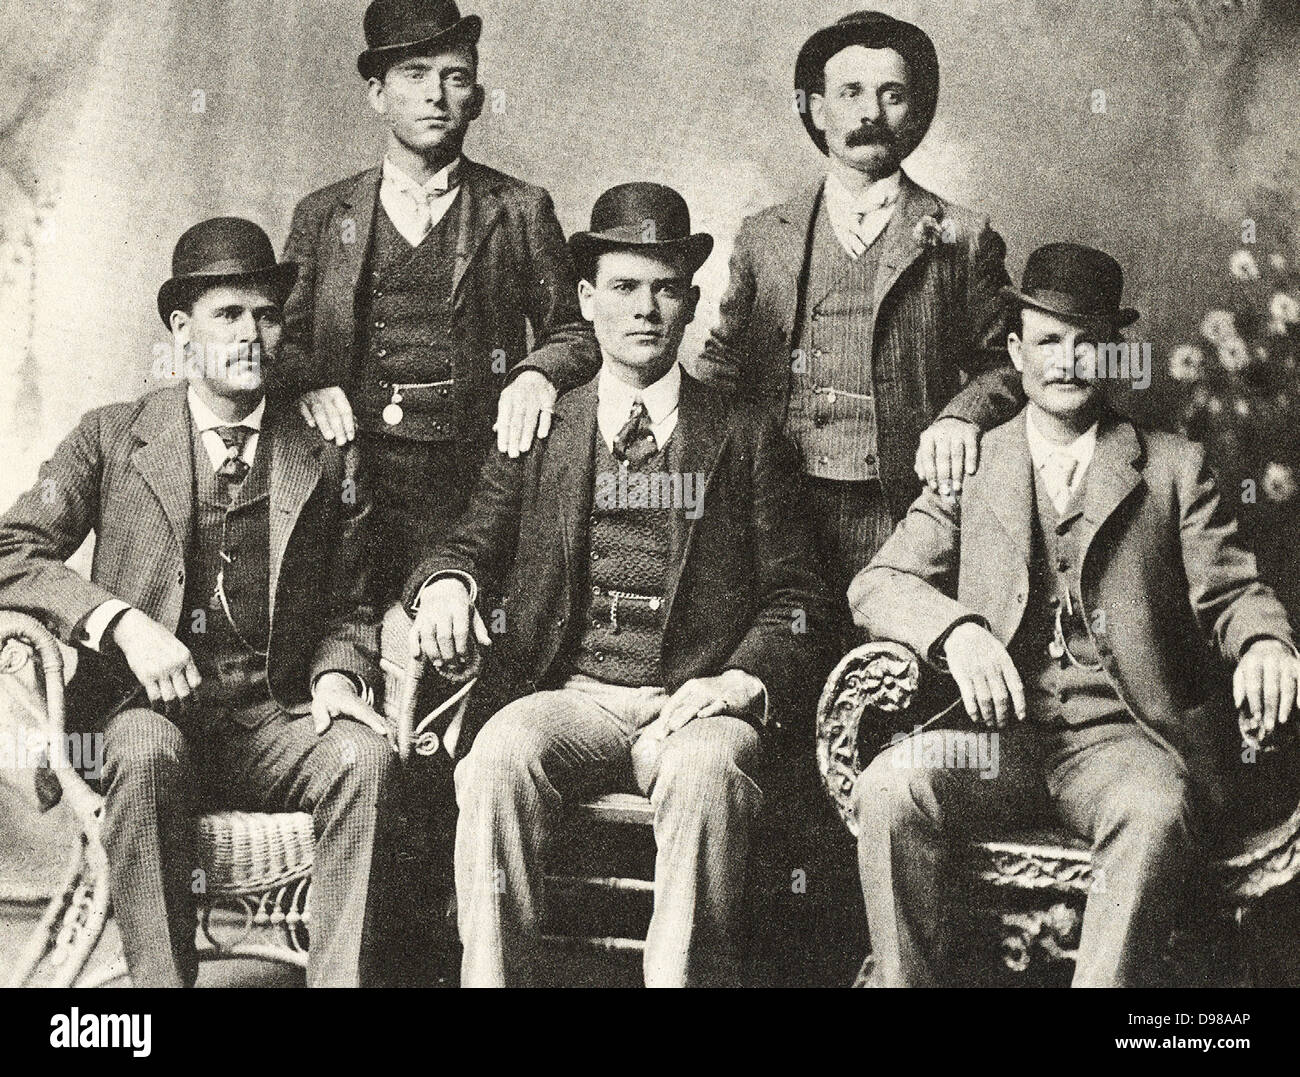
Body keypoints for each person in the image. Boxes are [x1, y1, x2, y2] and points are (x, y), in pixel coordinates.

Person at [408, 183, 833, 986]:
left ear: (693, 303)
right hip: (573, 695)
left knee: (710, 770)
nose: (646, 309)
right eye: (624, 287)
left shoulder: (744, 436)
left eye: (667, 289)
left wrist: (740, 679)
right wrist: (448, 583)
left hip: (689, 704)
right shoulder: (542, 426)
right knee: (499, 754)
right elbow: (467, 540)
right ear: (585, 298)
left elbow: (801, 596)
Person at [848, 242, 1300, 986]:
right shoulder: (975, 465)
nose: (1067, 360)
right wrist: (955, 631)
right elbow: (879, 582)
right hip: (999, 743)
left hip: (1121, 744)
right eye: (1049, 341)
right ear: (1017, 353)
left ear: (1115, 357)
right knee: (892, 784)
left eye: (1087, 342)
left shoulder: (1171, 467)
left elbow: (1234, 593)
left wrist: (1263, 646)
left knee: (1156, 810)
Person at [0, 218, 396, 987]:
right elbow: (9, 549)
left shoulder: (325, 447)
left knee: (364, 756)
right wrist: (119, 623)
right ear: (182, 331)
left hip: (274, 718)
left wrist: (338, 677)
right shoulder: (113, 437)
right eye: (228, 314)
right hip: (145, 713)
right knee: (145, 750)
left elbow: (354, 602)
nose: (251, 335)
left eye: (267, 314)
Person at [700, 10, 1022, 634]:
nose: (869, 112)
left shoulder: (964, 236)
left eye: (891, 95)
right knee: (779, 664)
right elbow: (722, 365)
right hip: (777, 506)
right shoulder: (767, 235)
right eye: (850, 93)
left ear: (917, 112)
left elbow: (1009, 363)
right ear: (818, 110)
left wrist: (961, 416)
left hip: (902, 510)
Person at [275, 0, 598, 601]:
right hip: (349, 484)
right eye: (416, 75)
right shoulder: (323, 216)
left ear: (474, 97)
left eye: (455, 77)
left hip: (479, 489)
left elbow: (576, 334)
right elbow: (279, 340)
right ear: (377, 93)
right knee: (352, 647)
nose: (437, 97)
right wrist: (306, 384)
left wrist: (536, 376)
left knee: (461, 657)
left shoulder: (520, 208)